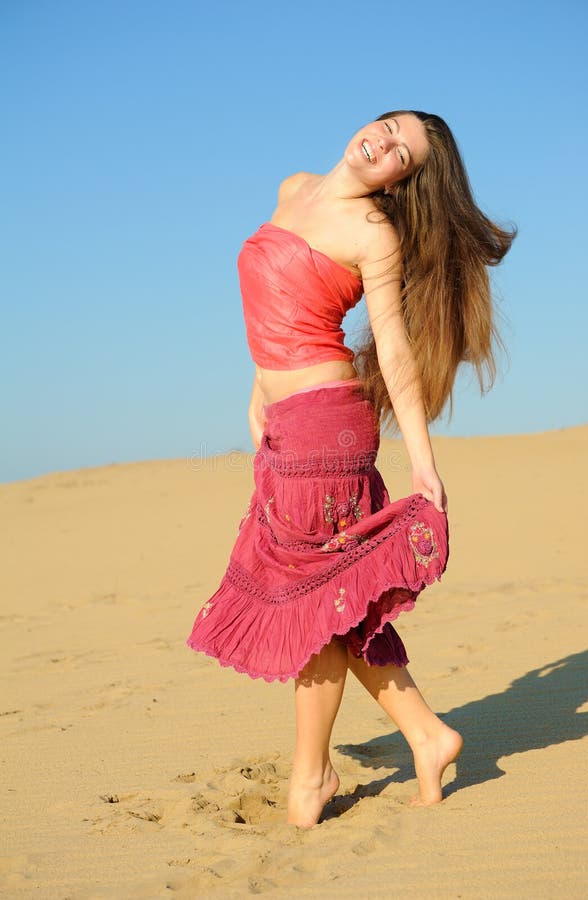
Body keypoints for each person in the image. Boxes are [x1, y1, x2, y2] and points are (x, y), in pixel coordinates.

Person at [187, 110, 515, 828]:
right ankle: (428, 737)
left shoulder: (373, 235)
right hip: (289, 422)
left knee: (312, 605)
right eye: (389, 127)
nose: (384, 144)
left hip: (326, 430)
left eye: (402, 152)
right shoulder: (292, 187)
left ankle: (311, 779)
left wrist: (422, 464)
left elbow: (391, 351)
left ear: (403, 180)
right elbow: (275, 307)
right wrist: (258, 389)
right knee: (338, 602)